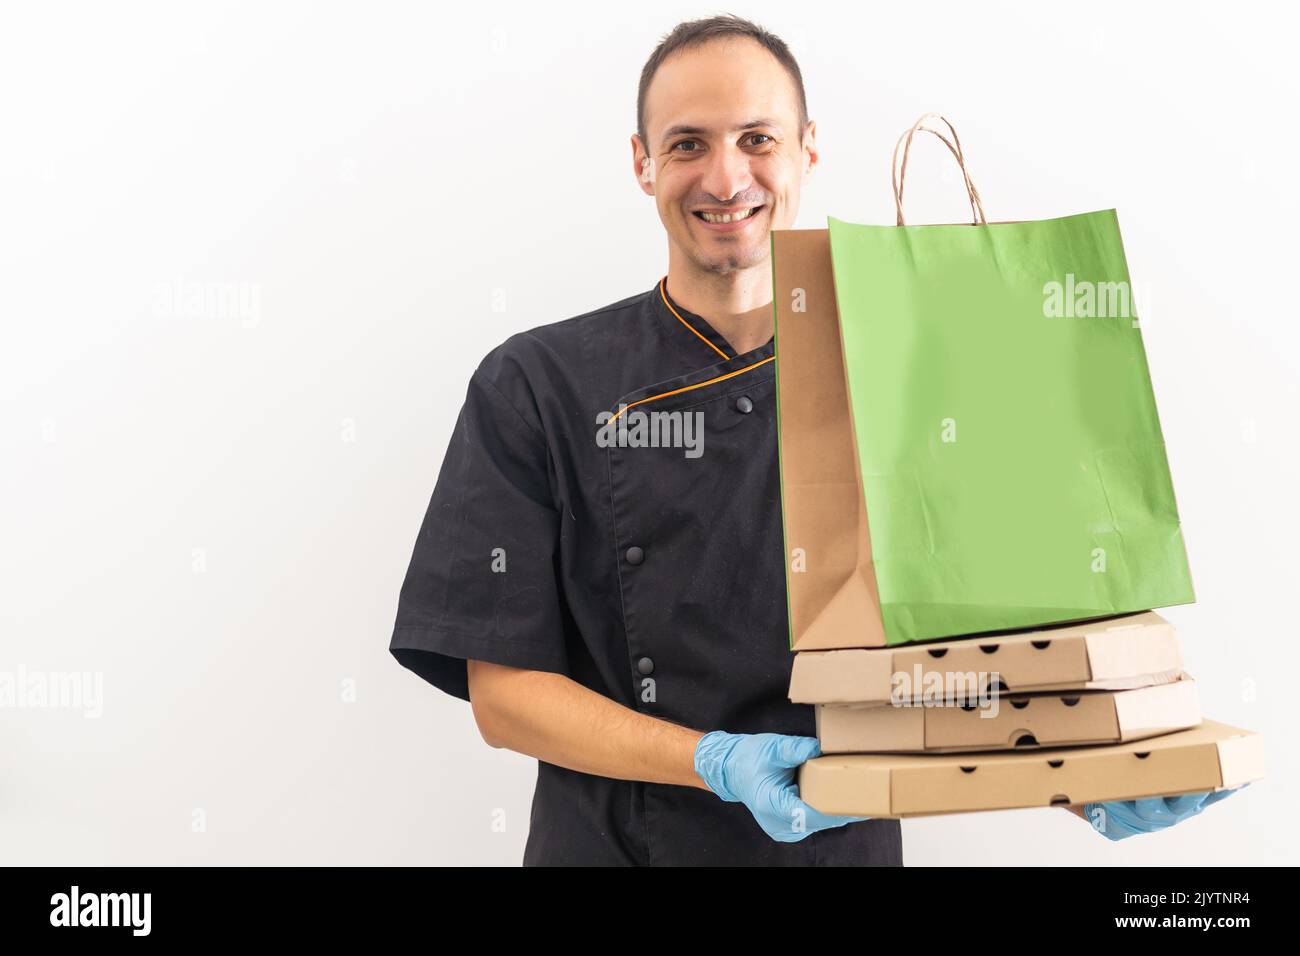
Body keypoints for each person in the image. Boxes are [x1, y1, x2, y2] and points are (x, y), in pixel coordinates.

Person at [389, 14, 1237, 865]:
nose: (726, 177)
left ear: (807, 150)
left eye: (757, 138)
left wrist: (1083, 779)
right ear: (642, 163)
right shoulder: (537, 383)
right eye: (687, 144)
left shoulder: (912, 374)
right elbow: (502, 698)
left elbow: (993, 647)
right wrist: (714, 763)